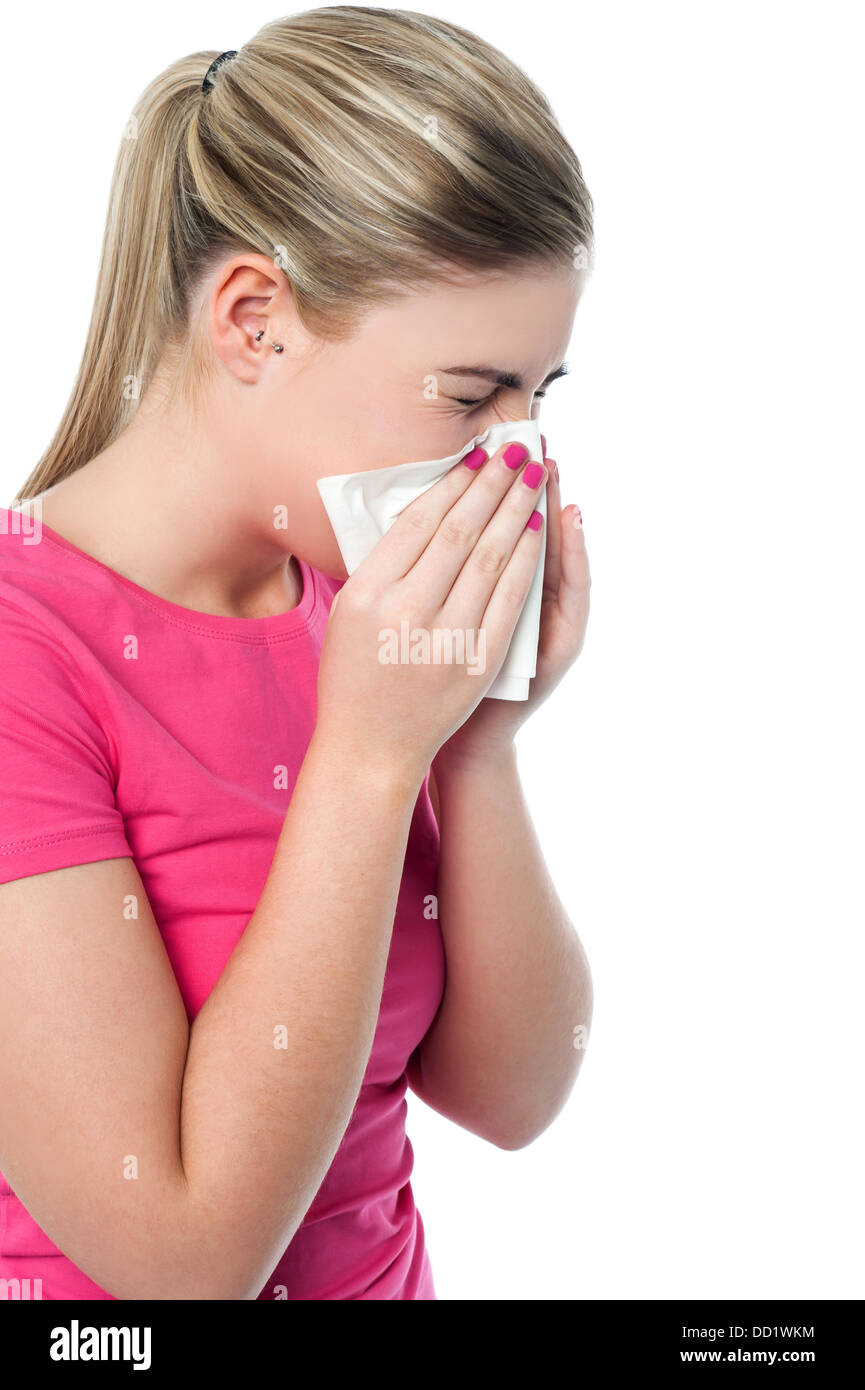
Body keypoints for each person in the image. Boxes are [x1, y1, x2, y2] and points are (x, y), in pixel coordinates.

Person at [0, 6, 594, 1300]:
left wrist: (478, 739)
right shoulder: (22, 658)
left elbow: (508, 1095)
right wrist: (373, 754)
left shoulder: (356, 609)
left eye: (537, 397)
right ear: (254, 321)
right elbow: (182, 1261)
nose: (518, 456)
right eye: (468, 392)